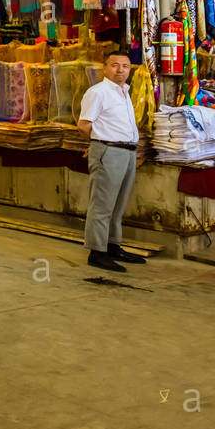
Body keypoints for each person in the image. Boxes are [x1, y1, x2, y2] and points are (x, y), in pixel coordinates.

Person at [77, 50, 146, 272]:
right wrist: (98, 144)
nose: (120, 70)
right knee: (102, 204)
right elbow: (84, 124)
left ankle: (113, 245)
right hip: (109, 151)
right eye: (114, 65)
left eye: (125, 66)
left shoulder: (124, 92)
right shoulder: (98, 92)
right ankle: (97, 252)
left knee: (118, 204)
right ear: (105, 68)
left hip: (126, 152)